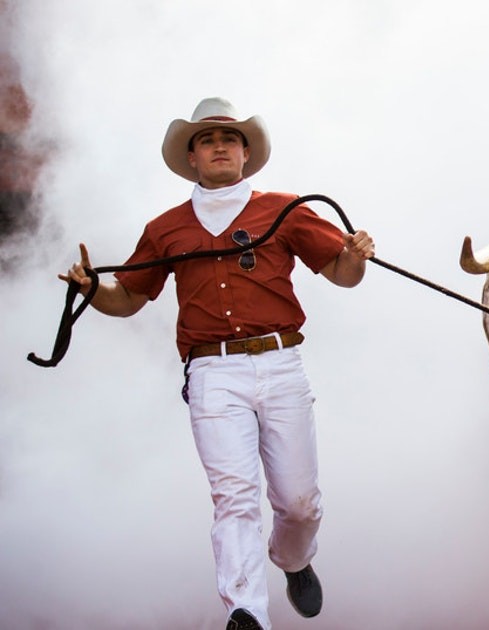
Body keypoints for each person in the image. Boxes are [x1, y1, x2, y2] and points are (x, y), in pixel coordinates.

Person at [60, 97, 375, 630]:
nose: (219, 147)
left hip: (281, 364)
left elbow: (343, 275)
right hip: (212, 372)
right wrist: (92, 290)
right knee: (235, 498)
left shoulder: (287, 209)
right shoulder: (165, 228)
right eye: (206, 140)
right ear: (192, 158)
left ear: (246, 153)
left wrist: (355, 256)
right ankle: (247, 612)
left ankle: (294, 559)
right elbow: (129, 297)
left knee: (299, 504)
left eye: (229, 139)